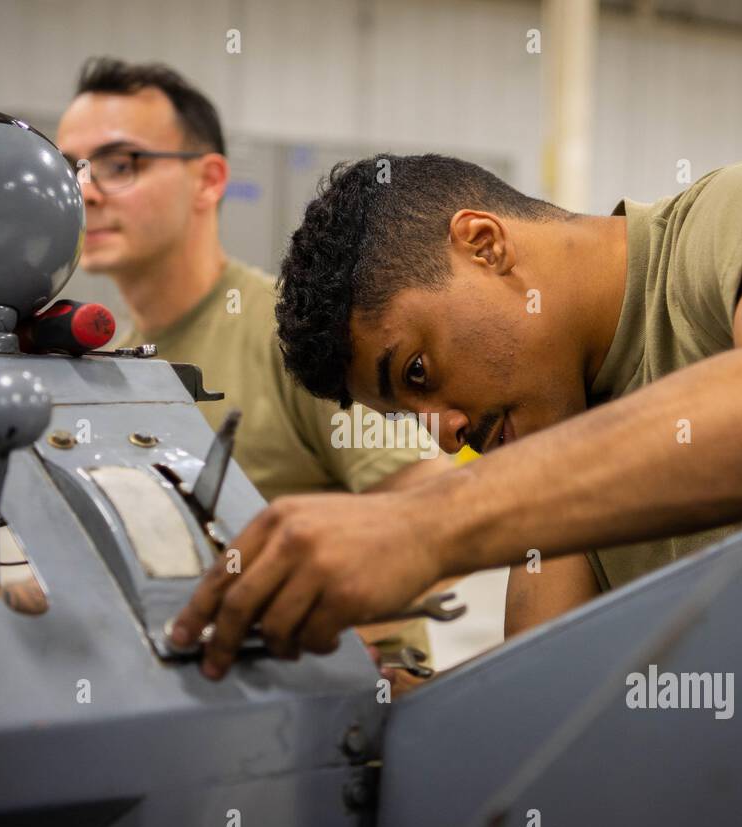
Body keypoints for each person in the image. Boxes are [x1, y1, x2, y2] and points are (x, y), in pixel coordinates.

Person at [169, 154, 742, 679]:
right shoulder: (565, 438)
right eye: (406, 410)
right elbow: (540, 699)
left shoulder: (739, 219)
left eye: (420, 371)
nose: (440, 429)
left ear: (484, 242)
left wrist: (423, 524)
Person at [56, 63, 451, 682]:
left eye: (120, 163)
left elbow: (438, 510)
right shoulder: (116, 367)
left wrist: (340, 643)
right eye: (71, 168)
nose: (85, 191)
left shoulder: (291, 338)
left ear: (208, 181)